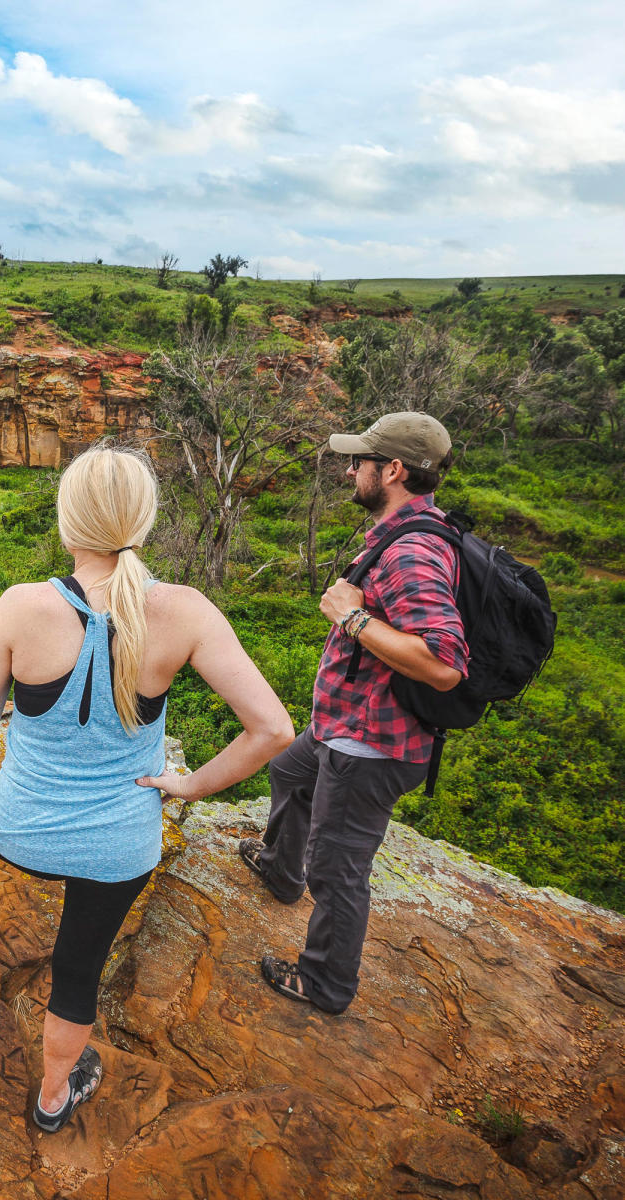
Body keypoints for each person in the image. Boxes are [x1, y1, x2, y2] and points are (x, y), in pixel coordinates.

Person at [0, 442, 295, 1132]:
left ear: (68, 522)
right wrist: (188, 786)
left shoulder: (21, 605)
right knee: (79, 967)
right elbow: (271, 730)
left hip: (16, 828)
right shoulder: (185, 611)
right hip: (118, 849)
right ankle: (53, 1098)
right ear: (143, 522)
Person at [239, 412, 468, 1015]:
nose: (350, 471)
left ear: (392, 470)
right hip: (344, 726)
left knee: (337, 870)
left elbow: (444, 663)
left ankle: (325, 983)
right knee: (289, 772)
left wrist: (351, 617)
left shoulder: (413, 550)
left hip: (370, 746)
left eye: (359, 462)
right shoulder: (411, 530)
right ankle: (280, 870)